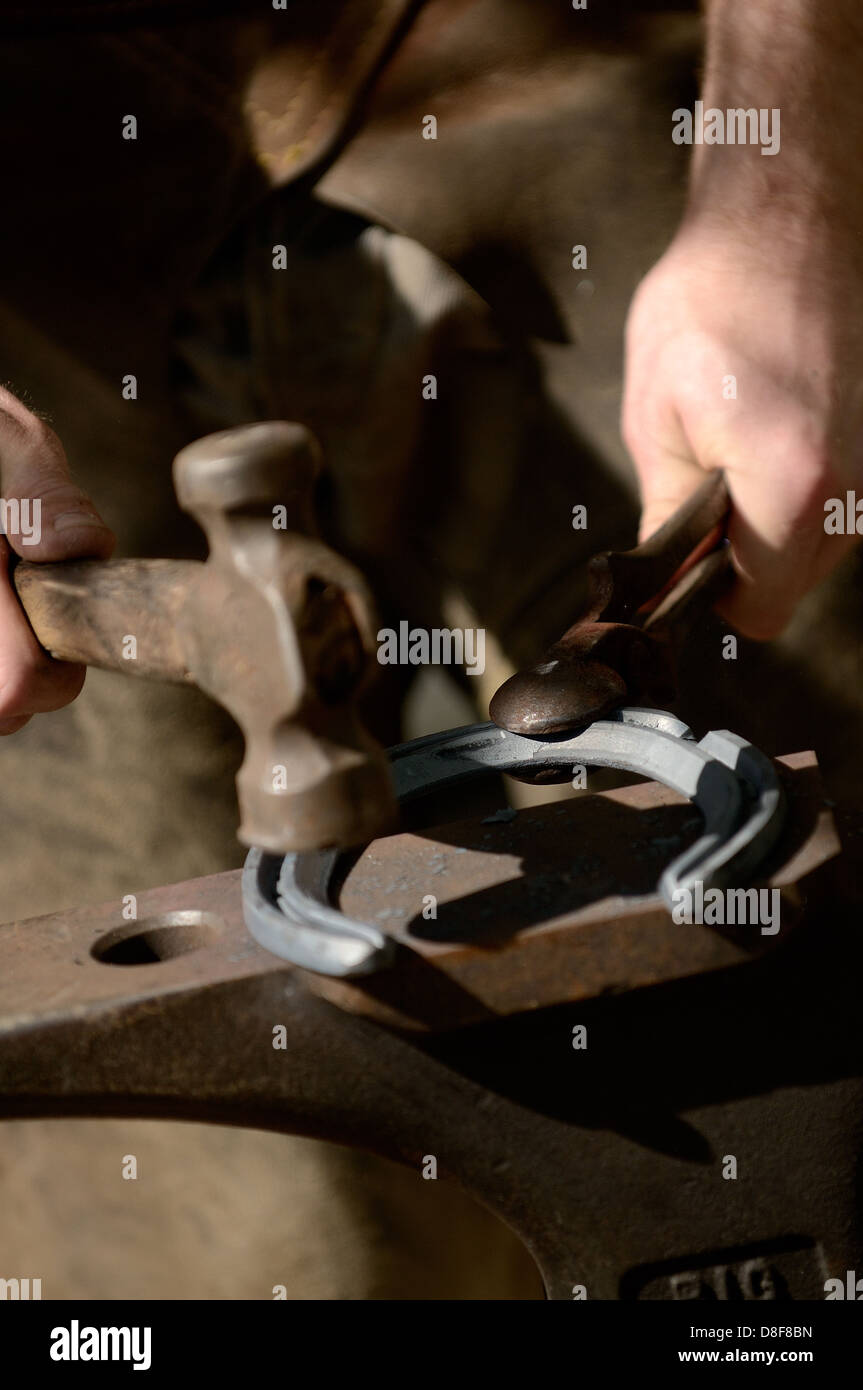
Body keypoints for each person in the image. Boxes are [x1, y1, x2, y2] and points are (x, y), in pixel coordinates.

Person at [0, 0, 860, 1299]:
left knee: (797, 1028)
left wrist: (789, 172)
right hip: (47, 247)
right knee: (229, 1249)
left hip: (600, 93)